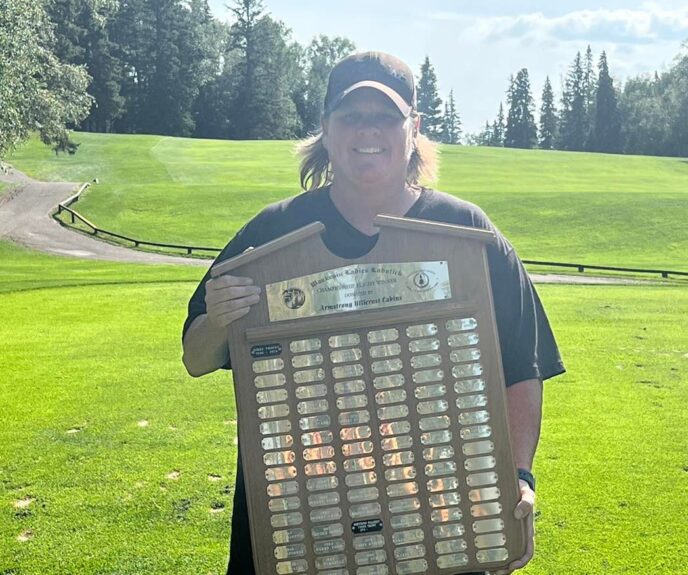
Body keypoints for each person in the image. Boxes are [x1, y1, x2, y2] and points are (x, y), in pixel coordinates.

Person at [182, 51, 565, 575]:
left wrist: (519, 475)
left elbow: (523, 366)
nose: (368, 131)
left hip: (437, 507)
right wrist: (220, 319)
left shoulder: (465, 233)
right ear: (325, 128)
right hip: (299, 508)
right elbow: (196, 357)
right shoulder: (271, 236)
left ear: (414, 127)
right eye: (351, 116)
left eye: (385, 116)